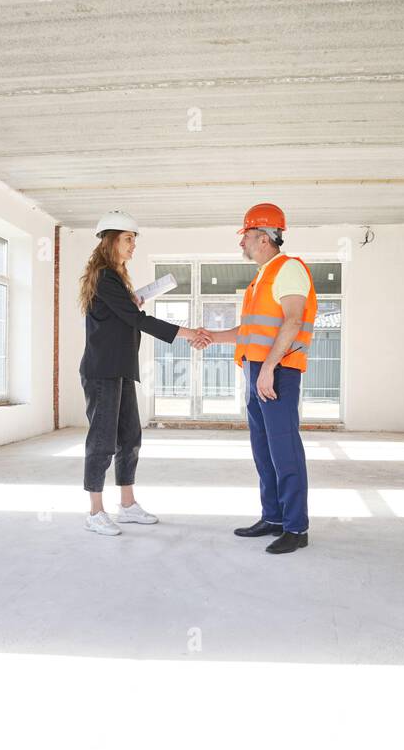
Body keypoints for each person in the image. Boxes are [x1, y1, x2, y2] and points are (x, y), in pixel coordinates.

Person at [78, 210, 210, 536]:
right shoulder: (106, 277)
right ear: (111, 241)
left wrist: (132, 301)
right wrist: (189, 332)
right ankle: (95, 511)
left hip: (120, 370)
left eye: (134, 240)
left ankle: (127, 505)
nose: (132, 246)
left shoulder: (116, 279)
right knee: (102, 442)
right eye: (128, 239)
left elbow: (126, 318)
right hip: (102, 372)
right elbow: (139, 322)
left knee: (130, 438)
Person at [196, 203, 318, 554]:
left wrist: (267, 369)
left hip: (277, 372)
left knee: (285, 450)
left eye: (246, 237)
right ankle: (274, 517)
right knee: (264, 450)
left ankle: (296, 528)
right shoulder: (261, 278)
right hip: (259, 371)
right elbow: (251, 331)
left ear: (264, 238)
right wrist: (212, 336)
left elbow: (292, 322)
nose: (242, 245)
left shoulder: (288, 269)